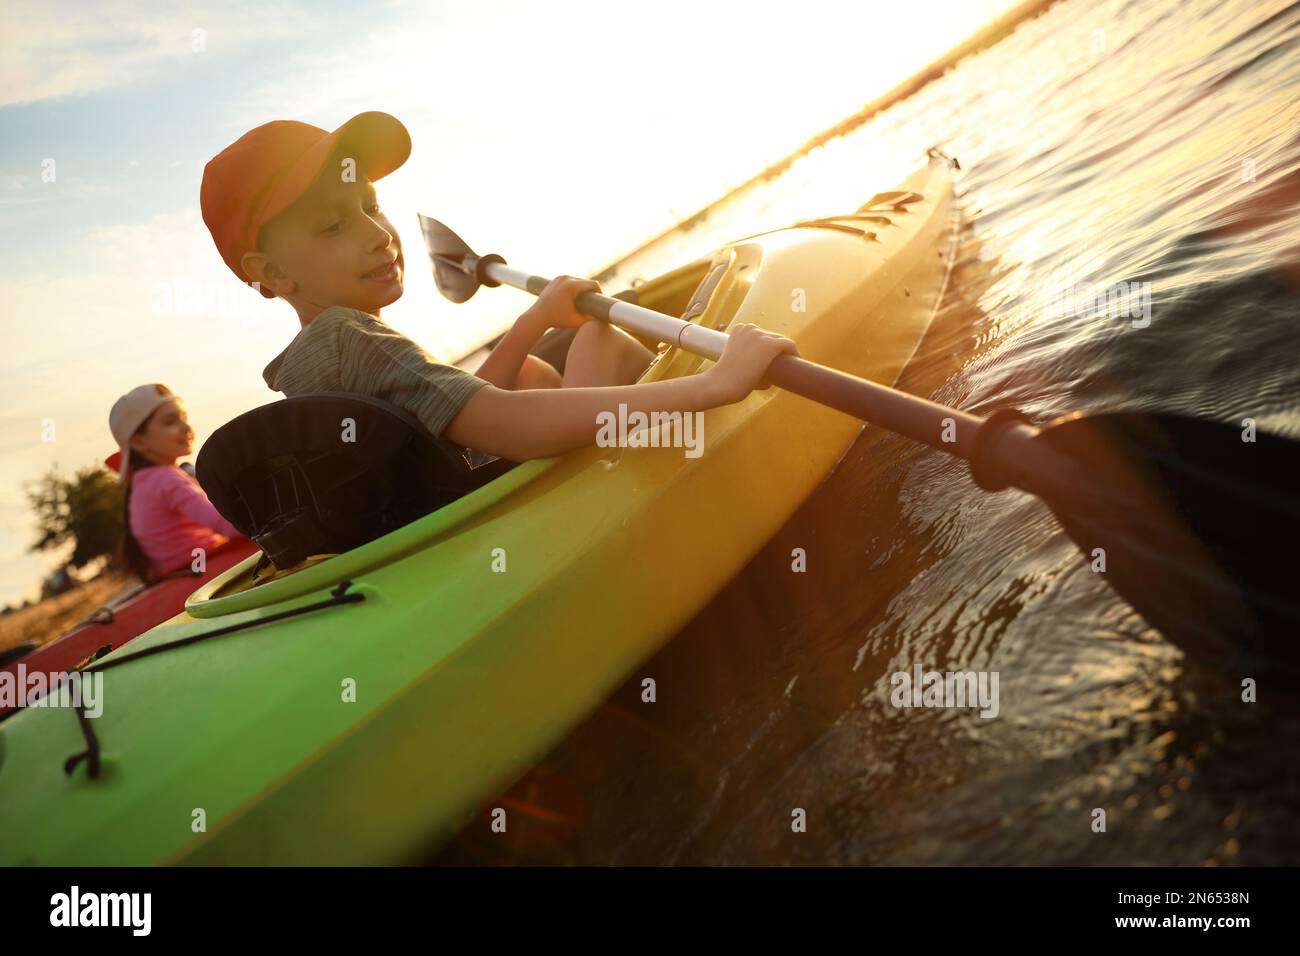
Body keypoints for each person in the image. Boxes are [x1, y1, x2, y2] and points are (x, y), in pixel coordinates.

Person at [199, 111, 797, 465]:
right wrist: (715, 383)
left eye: (371, 206)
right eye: (334, 225)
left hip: (447, 492)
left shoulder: (310, 362)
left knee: (533, 367)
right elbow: (503, 425)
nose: (378, 235)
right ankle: (723, 445)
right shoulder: (356, 338)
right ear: (273, 273)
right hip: (522, 500)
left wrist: (533, 320)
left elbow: (452, 413)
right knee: (599, 340)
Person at [105, 384, 248, 582]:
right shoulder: (166, 479)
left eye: (184, 418)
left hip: (185, 574)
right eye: (171, 422)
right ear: (139, 442)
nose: (186, 427)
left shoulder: (143, 483)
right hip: (206, 570)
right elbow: (227, 524)